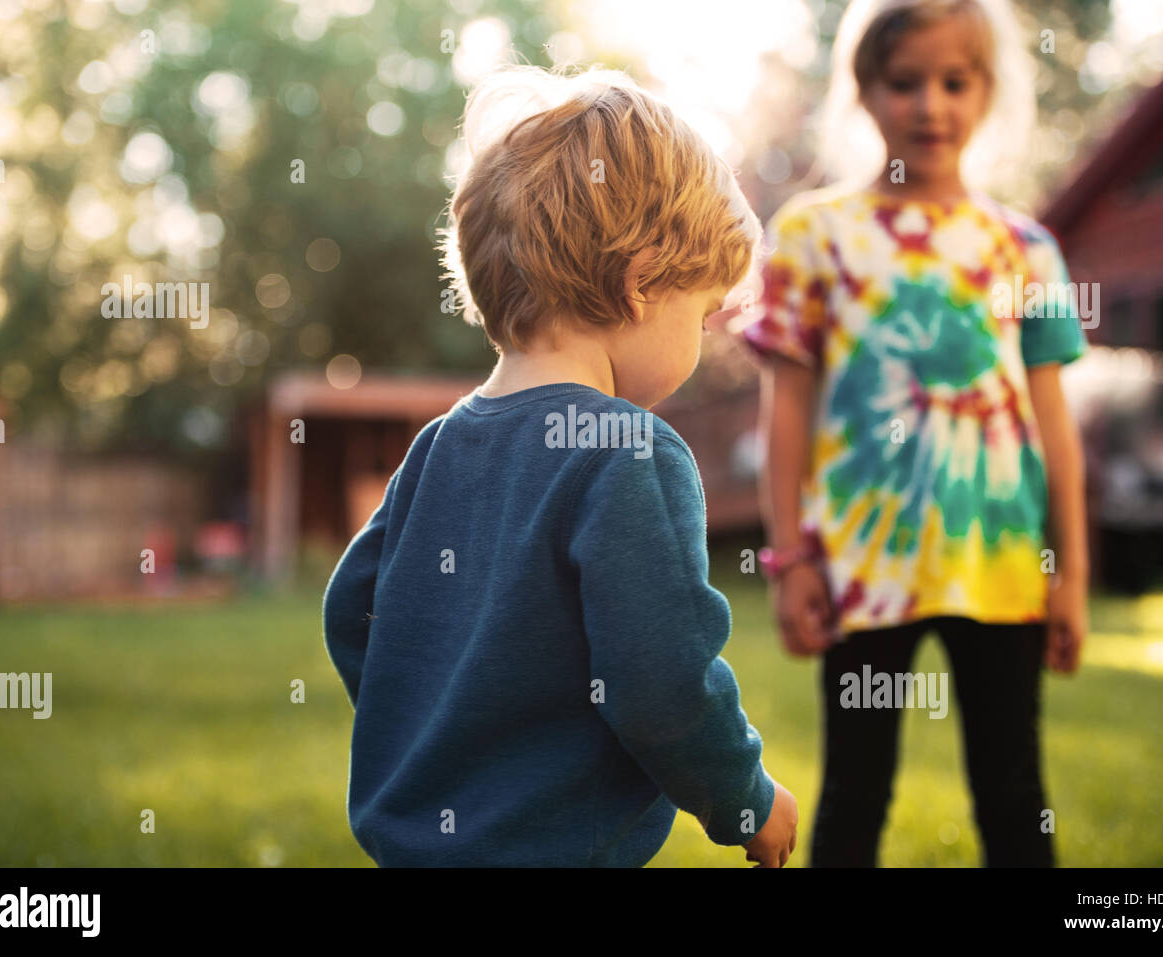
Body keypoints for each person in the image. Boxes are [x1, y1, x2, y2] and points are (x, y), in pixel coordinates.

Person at [324, 64, 799, 867]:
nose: (700, 343)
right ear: (643, 282)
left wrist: (432, 736)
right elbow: (662, 678)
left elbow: (352, 611)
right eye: (702, 312)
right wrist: (745, 795)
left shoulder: (438, 445)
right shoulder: (629, 451)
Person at [737, 0, 1089, 867]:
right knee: (855, 796)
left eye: (954, 82)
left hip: (999, 564)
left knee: (1014, 798)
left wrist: (1071, 569)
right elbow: (786, 411)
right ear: (864, 91)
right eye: (905, 82)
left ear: (987, 93)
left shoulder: (1027, 249)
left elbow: (1052, 422)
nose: (931, 104)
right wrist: (790, 559)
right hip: (865, 561)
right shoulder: (814, 236)